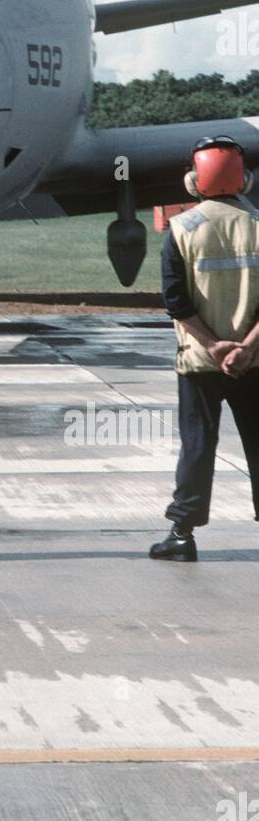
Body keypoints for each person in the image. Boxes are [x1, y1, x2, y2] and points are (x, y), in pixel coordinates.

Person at [151, 135, 259, 561]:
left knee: (197, 444)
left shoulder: (181, 229)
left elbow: (175, 300)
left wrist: (215, 346)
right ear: (244, 179)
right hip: (255, 360)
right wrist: (246, 348)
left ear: (194, 180)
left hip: (199, 360)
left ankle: (182, 534)